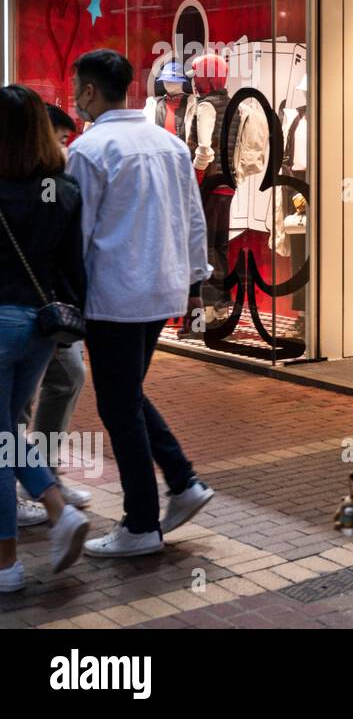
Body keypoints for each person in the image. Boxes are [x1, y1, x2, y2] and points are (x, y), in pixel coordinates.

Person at [65, 49, 215, 558]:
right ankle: (182, 481)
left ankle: (142, 523)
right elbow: (194, 218)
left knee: (118, 405)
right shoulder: (169, 143)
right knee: (125, 395)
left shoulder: (89, 150)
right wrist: (195, 280)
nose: (75, 99)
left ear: (89, 91)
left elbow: (77, 235)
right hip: (160, 290)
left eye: (77, 89)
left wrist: (67, 295)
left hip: (114, 295)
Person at [0, 85, 90, 592]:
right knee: (7, 432)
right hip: (40, 326)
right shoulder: (61, 190)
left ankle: (8, 562)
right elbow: (72, 271)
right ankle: (57, 510)